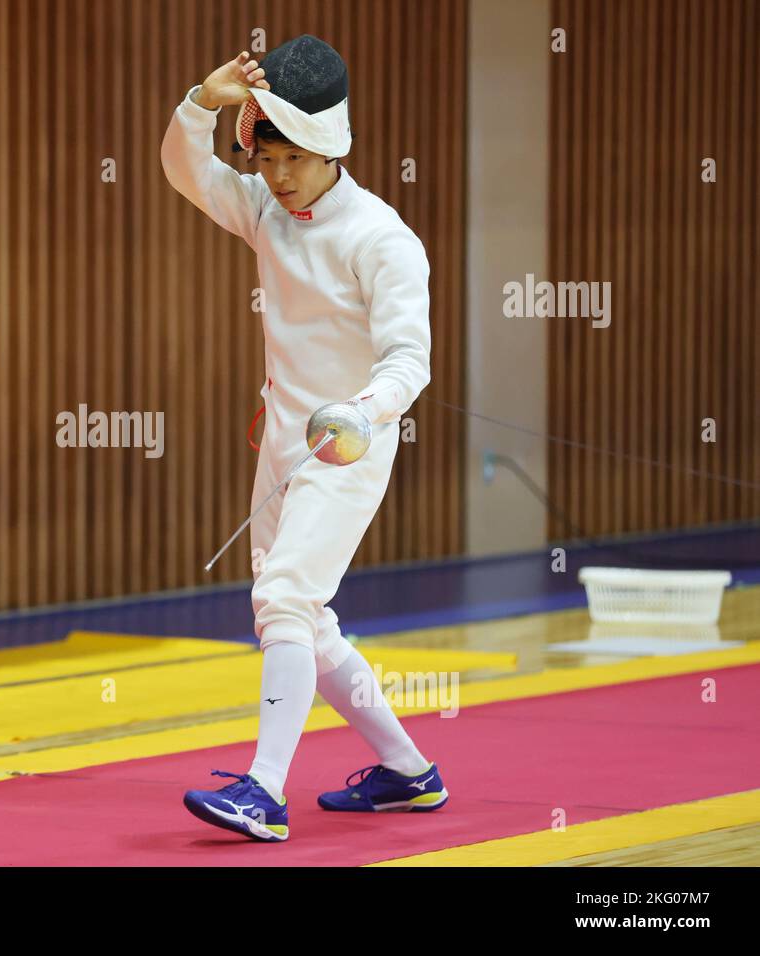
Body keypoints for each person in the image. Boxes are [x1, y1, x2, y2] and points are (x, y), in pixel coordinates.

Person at [161, 36, 448, 842]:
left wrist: (363, 409)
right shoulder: (265, 208)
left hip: (352, 444)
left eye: (292, 158)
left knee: (285, 597)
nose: (276, 175)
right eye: (266, 156)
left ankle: (263, 790)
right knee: (303, 621)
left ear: (327, 150)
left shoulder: (382, 239)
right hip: (284, 442)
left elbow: (409, 359)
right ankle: (408, 773)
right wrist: (201, 104)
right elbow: (189, 172)